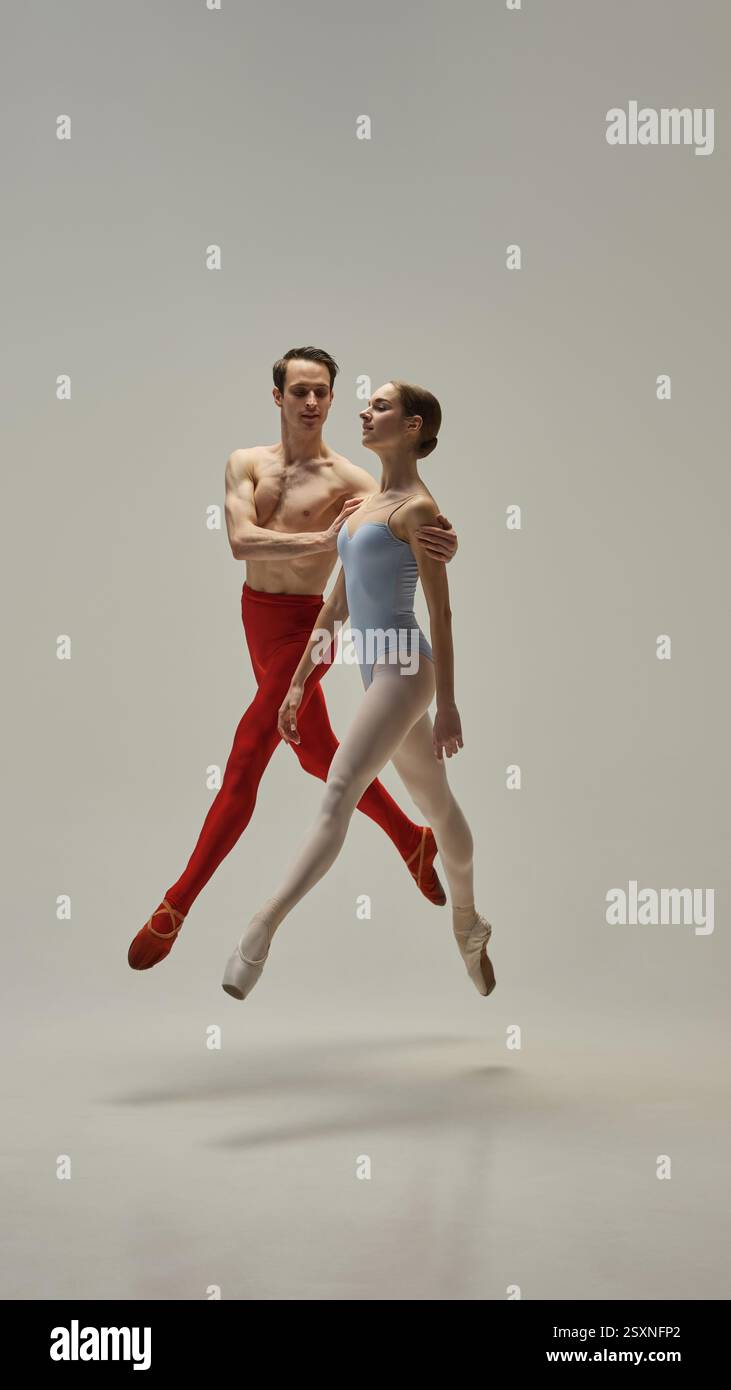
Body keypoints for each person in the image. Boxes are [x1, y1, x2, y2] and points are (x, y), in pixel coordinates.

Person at [128, 348, 459, 971]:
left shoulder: (355, 482)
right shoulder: (245, 463)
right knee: (313, 750)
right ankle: (412, 841)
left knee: (250, 747)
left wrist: (448, 536)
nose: (312, 403)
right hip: (256, 619)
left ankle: (176, 904)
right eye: (300, 391)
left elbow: (417, 512)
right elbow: (239, 541)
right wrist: (325, 537)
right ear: (277, 396)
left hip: (312, 627)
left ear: (332, 399)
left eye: (323, 393)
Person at [222, 379, 495, 1001]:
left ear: (414, 427)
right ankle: (469, 922)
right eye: (366, 404)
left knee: (341, 787)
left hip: (405, 667)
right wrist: (296, 686)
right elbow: (337, 604)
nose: (364, 413)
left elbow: (441, 612)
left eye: (380, 406)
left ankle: (259, 932)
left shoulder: (418, 510)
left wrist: (446, 701)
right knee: (438, 806)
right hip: (374, 669)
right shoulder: (364, 506)